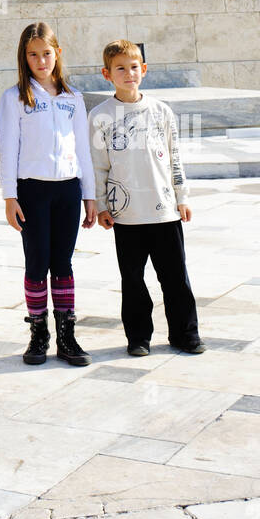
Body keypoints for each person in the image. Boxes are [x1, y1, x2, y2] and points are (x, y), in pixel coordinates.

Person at [90, 39, 205, 357]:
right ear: (107, 73)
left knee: (175, 278)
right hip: (127, 215)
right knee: (133, 280)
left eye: (134, 67)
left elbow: (174, 157)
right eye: (121, 68)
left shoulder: (161, 111)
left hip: (165, 210)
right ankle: (138, 337)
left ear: (144, 69)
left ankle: (185, 334)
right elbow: (98, 165)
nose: (129, 73)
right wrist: (101, 205)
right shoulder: (101, 116)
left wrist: (182, 197)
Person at [0, 21, 98, 366]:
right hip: (32, 192)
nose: (41, 61)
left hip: (67, 190)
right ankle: (39, 332)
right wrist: (9, 196)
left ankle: (67, 334)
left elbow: (83, 149)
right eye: (33, 55)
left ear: (58, 54)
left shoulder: (73, 99)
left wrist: (89, 195)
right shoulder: (15, 98)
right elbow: (8, 148)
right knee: (37, 261)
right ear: (24, 58)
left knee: (63, 263)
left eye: (46, 53)